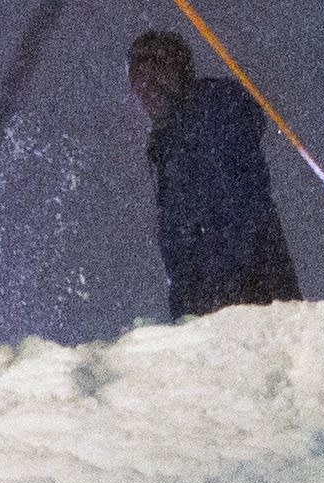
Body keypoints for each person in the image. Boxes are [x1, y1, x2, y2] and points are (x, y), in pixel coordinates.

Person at [128, 30, 302, 319]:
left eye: (157, 73)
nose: (148, 88)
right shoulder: (166, 143)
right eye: (139, 79)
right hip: (208, 305)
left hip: (250, 296)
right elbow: (180, 238)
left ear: (180, 73)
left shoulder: (214, 110)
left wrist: (227, 290)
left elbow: (239, 208)